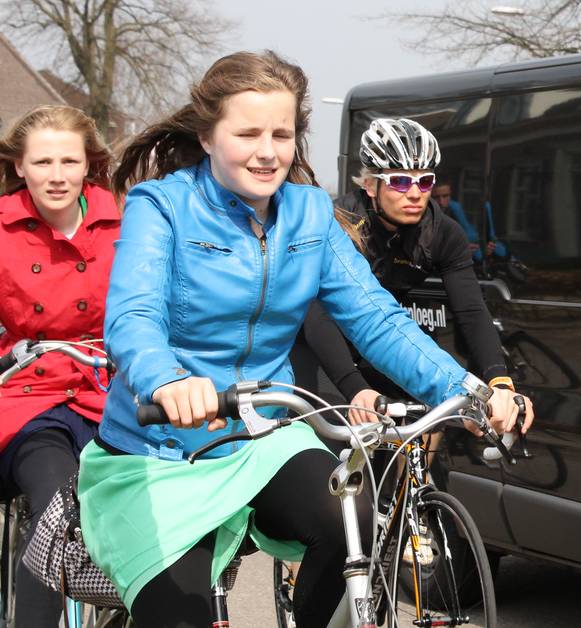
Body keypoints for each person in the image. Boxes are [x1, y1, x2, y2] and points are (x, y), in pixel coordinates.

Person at [77, 51, 526, 628]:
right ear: (208, 136)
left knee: (351, 513)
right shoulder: (161, 207)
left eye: (281, 134)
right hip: (162, 448)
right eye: (247, 133)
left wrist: (469, 389)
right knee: (178, 615)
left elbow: (375, 319)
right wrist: (167, 381)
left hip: (263, 435)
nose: (268, 151)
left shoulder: (310, 214)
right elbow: (134, 315)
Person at [299, 118, 535, 430]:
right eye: (399, 181)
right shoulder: (340, 223)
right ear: (370, 185)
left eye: (424, 182)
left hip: (384, 343)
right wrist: (354, 387)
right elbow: (317, 309)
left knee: (422, 436)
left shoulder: (443, 232)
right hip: (324, 346)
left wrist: (500, 380)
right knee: (336, 442)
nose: (415, 193)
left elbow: (472, 310)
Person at [0, 104, 118, 627]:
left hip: (112, 395)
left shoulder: (126, 224)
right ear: (19, 166)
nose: (57, 175)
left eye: (68, 161)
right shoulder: (2, 231)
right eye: (43, 162)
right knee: (56, 504)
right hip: (29, 398)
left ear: (88, 163)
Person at [432, 181, 507, 265]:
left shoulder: (456, 210)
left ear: (450, 195)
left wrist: (488, 248)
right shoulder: (422, 216)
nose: (441, 201)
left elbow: (477, 238)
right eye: (436, 197)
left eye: (445, 196)